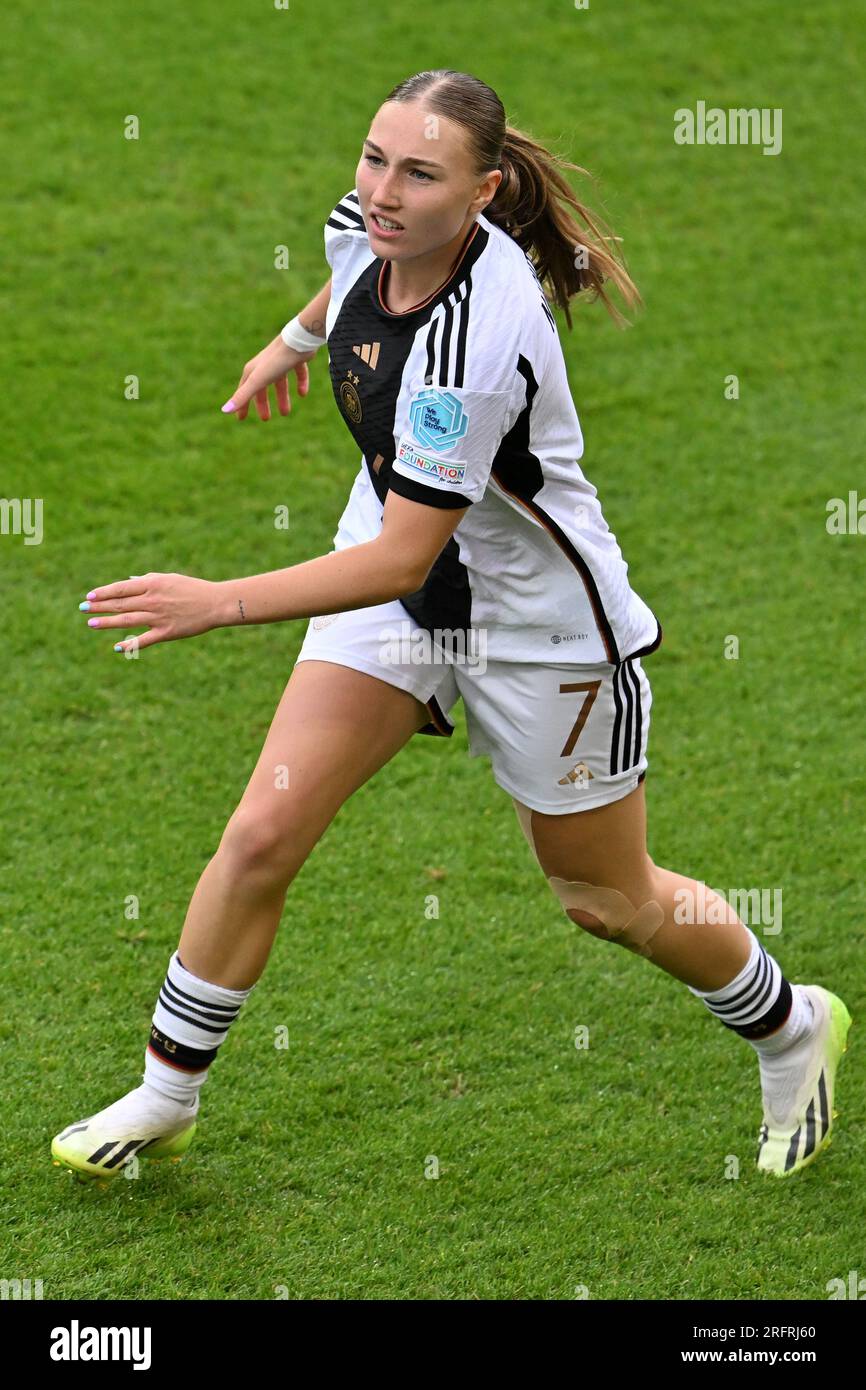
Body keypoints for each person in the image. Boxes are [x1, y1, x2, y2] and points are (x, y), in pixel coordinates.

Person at [53, 69, 850, 1183]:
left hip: (537, 627)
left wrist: (216, 601)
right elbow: (349, 276)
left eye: (417, 174)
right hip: (402, 583)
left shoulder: (473, 340)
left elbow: (399, 555)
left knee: (603, 899)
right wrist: (288, 343)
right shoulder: (368, 221)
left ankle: (789, 1023)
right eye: (373, 158)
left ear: (478, 195)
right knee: (260, 834)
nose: (381, 191)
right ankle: (164, 1093)